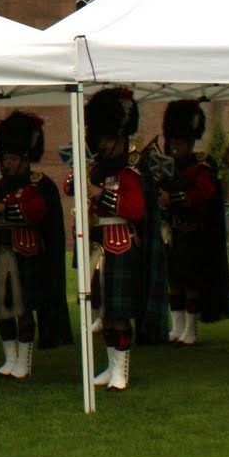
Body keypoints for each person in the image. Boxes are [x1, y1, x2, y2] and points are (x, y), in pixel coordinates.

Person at [0, 111, 72, 380]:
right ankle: (10, 358)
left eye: (12, 159)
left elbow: (36, 212)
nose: (6, 164)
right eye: (4, 158)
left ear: (25, 159)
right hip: (0, 254)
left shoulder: (36, 184)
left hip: (26, 256)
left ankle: (24, 362)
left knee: (23, 310)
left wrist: (4, 208)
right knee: (2, 310)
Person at [79, 86, 152, 391]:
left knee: (119, 313)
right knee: (106, 312)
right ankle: (110, 367)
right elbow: (72, 186)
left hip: (121, 241)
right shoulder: (98, 169)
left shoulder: (130, 174)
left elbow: (135, 209)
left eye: (107, 139)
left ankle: (121, 370)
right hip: (100, 243)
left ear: (120, 140)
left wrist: (102, 194)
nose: (102, 144)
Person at [155, 99, 229, 346]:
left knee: (191, 283)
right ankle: (176, 328)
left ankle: (191, 329)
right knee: (174, 281)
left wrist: (173, 198)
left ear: (190, 143)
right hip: (174, 232)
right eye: (173, 143)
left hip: (195, 233)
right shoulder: (167, 165)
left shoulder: (201, 164)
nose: (174, 148)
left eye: (179, 143)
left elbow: (203, 193)